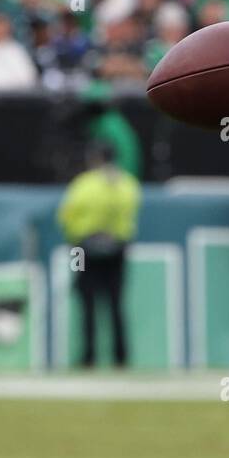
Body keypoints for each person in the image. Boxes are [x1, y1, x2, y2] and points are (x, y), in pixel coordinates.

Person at [57, 142, 141, 367]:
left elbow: (66, 215)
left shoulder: (83, 184)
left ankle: (88, 358)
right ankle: (121, 358)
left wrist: (75, 237)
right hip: (118, 248)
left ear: (95, 158)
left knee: (87, 304)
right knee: (116, 303)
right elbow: (132, 213)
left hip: (84, 249)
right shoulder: (128, 184)